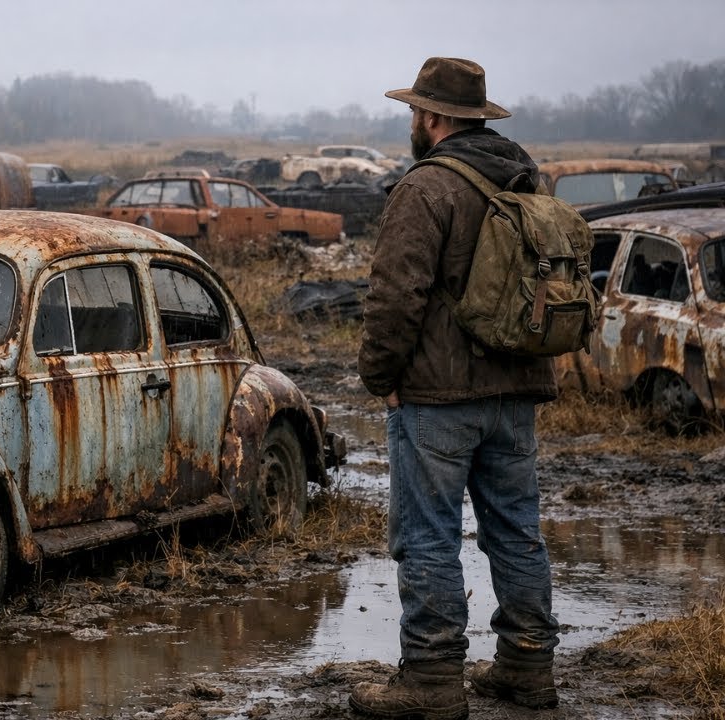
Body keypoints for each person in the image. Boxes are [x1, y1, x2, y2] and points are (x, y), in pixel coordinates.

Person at [351, 57, 561, 720]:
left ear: (431, 117)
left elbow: (395, 296)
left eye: (415, 110)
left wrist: (381, 378)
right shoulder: (527, 177)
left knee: (428, 535)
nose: (412, 121)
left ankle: (433, 678)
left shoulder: (426, 187)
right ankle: (527, 669)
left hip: (438, 397)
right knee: (517, 531)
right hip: (519, 386)